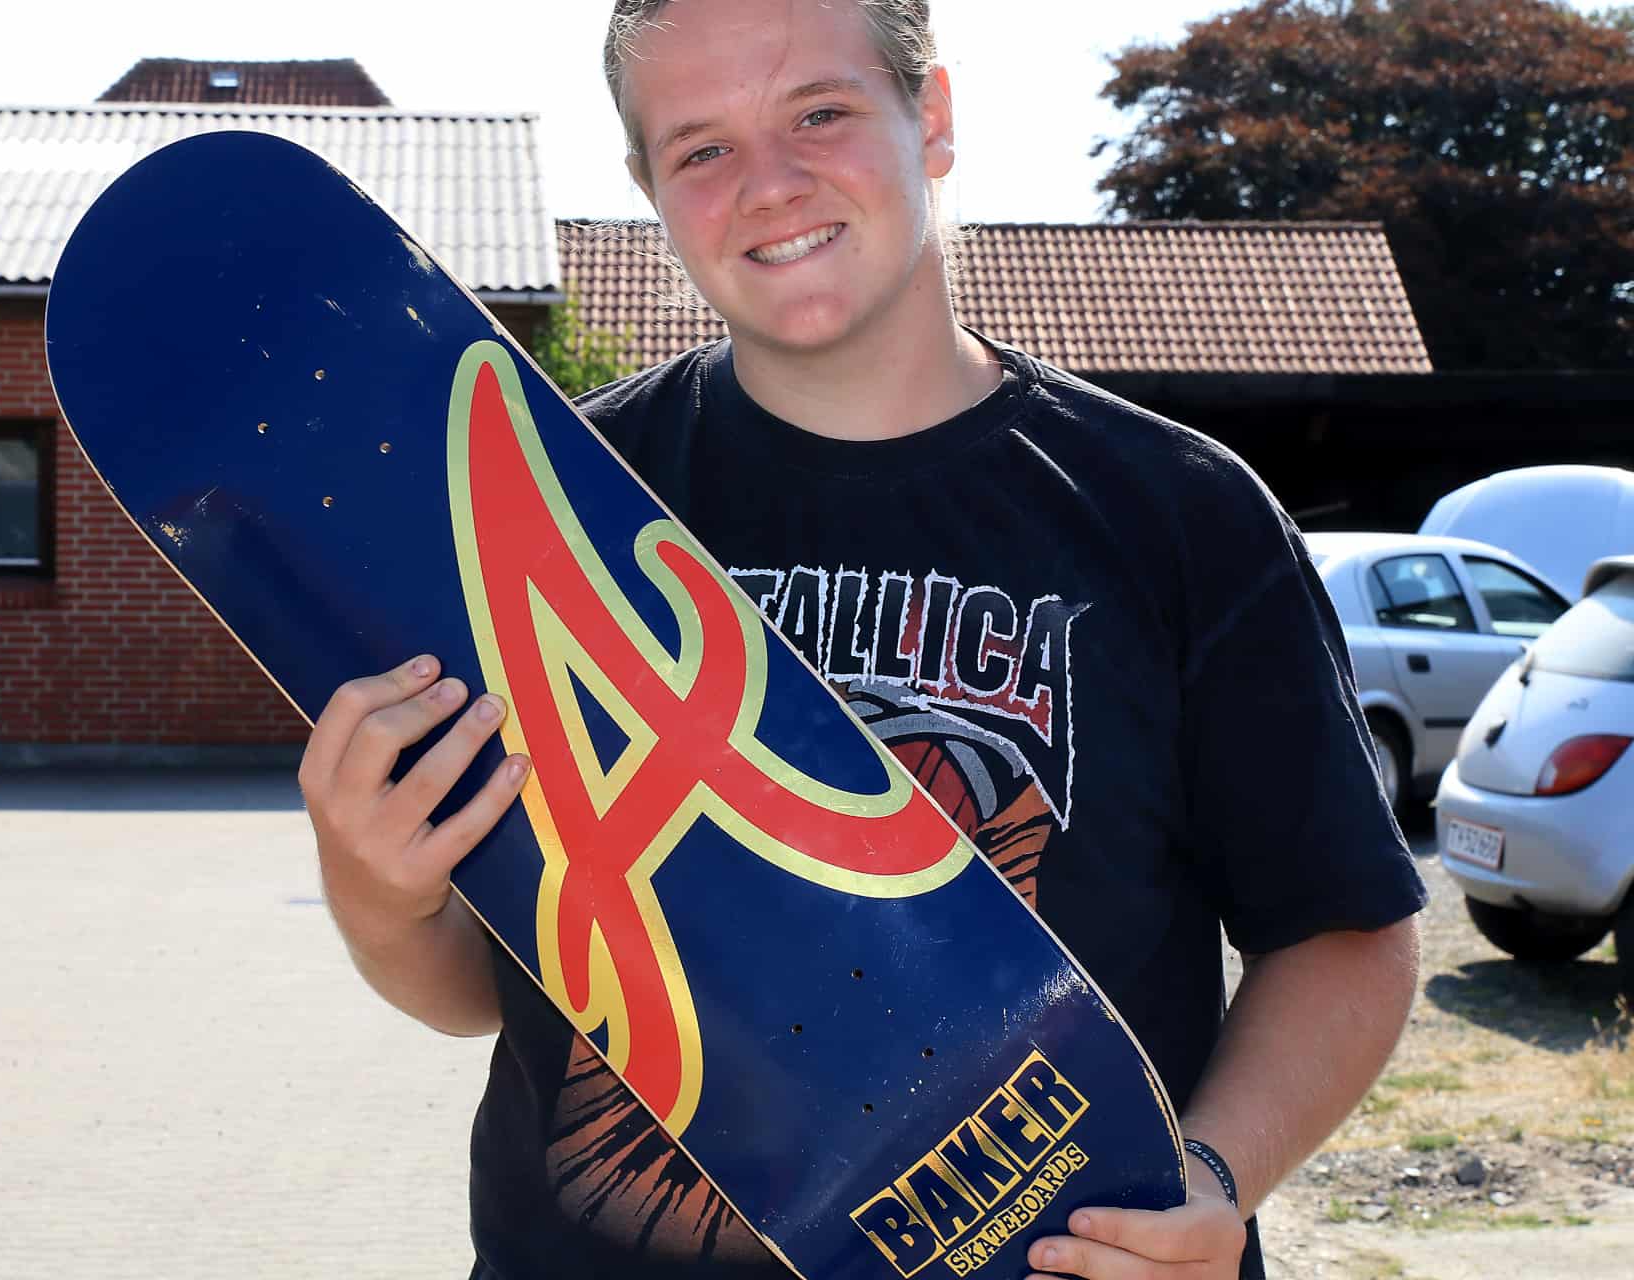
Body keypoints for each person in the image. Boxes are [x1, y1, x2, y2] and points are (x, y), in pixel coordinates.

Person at [297, 1, 1427, 1277]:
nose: (769, 186)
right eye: (701, 147)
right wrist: (378, 892)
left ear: (930, 117)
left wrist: (1213, 1176)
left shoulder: (1181, 513)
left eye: (819, 114)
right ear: (648, 187)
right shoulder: (543, 512)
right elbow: (482, 990)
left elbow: (1345, 929)